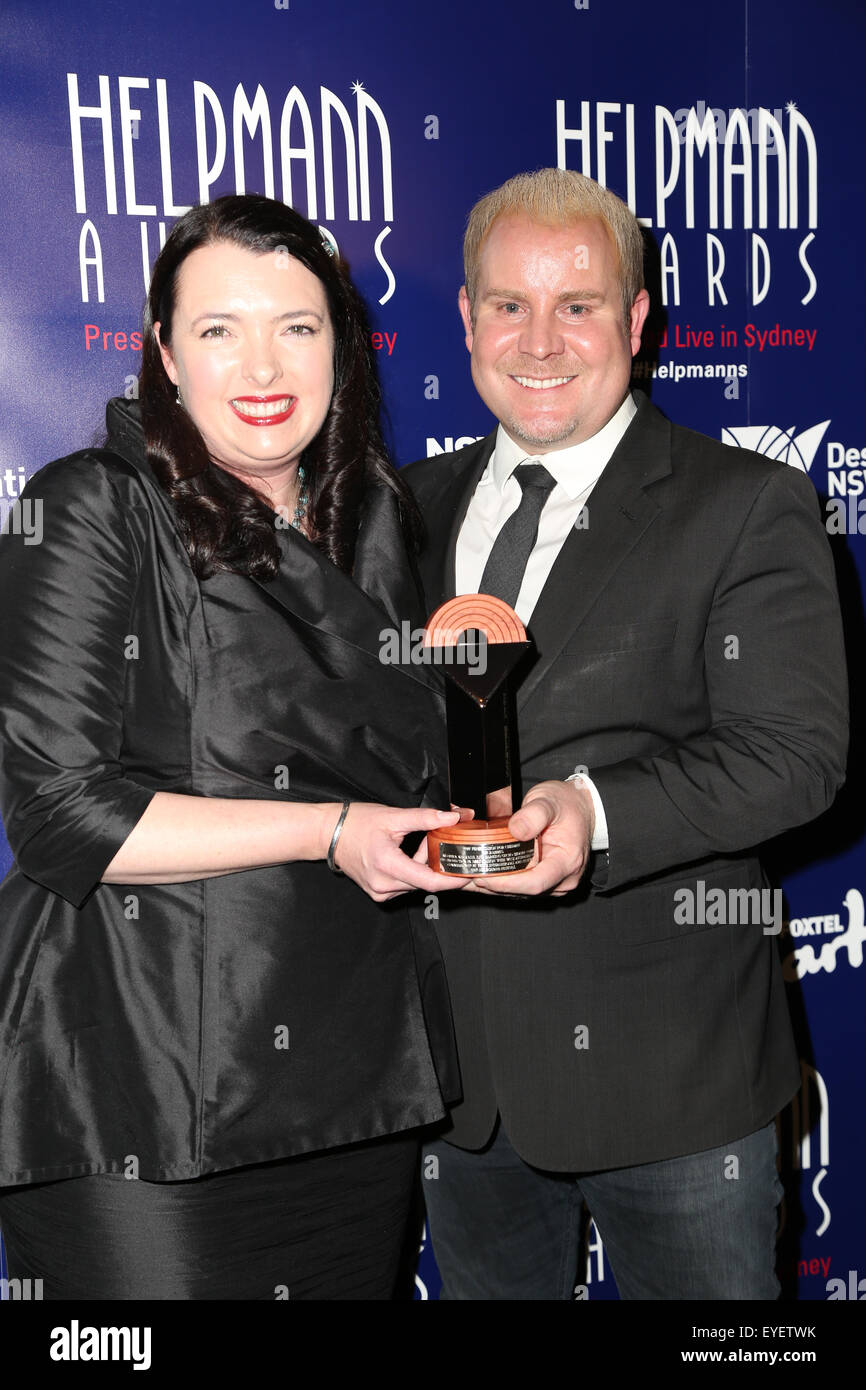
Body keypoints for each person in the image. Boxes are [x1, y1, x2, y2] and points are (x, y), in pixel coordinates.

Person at [0, 193, 467, 1300]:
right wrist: (332, 828)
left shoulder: (381, 522)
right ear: (162, 350)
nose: (262, 364)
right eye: (218, 329)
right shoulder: (95, 508)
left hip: (352, 1082)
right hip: (143, 1083)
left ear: (341, 347)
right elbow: (63, 813)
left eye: (295, 327)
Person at [403, 168, 848, 1300]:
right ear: (464, 319)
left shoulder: (742, 503)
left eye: (578, 305)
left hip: (675, 1095)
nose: (539, 341)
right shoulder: (397, 509)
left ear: (636, 321)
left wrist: (592, 812)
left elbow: (795, 753)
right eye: (507, 305)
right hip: (459, 1094)